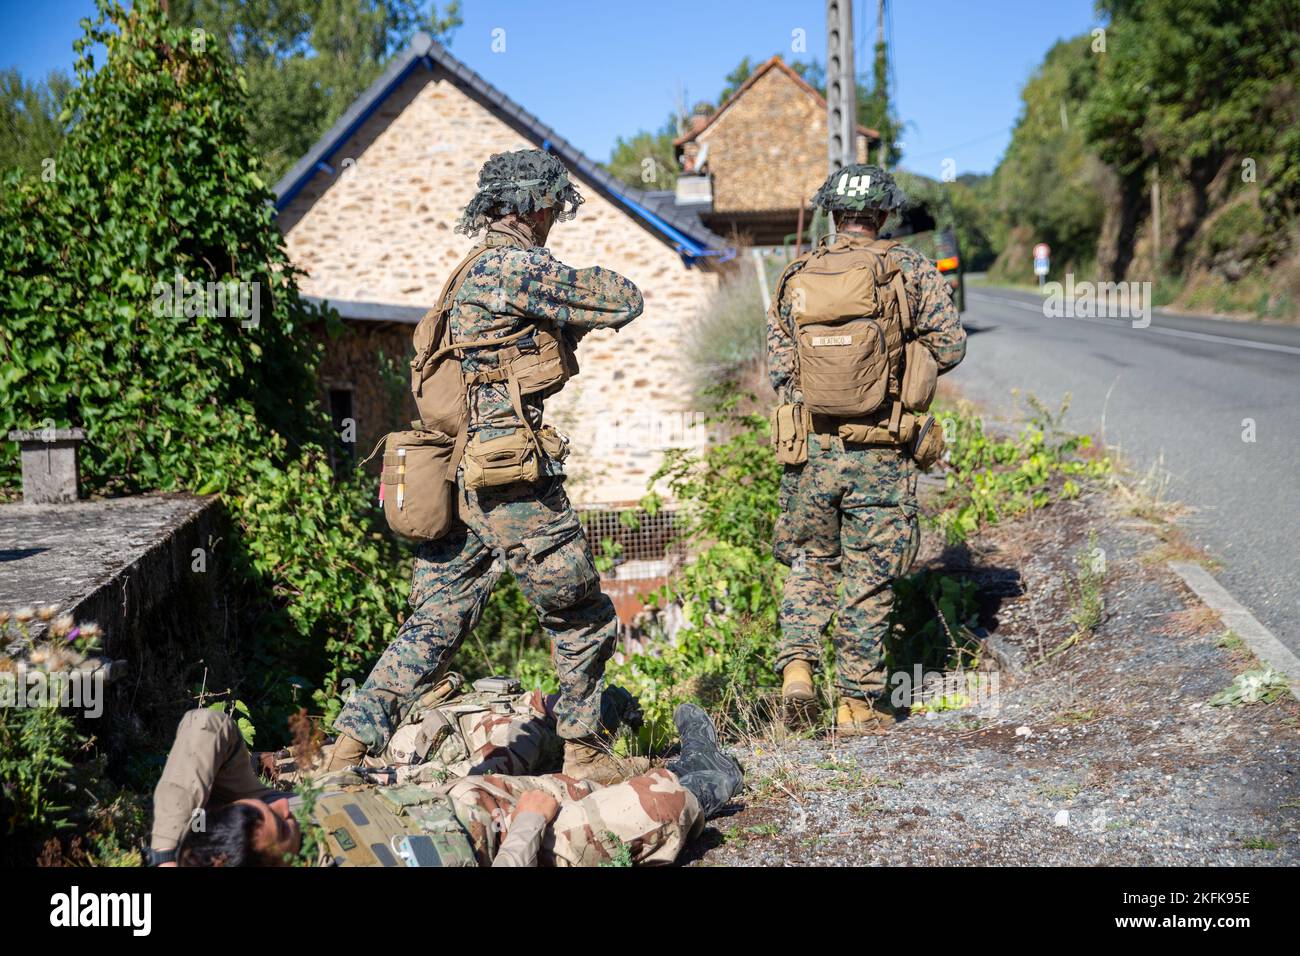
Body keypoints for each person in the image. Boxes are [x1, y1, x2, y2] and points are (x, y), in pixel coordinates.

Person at [325, 149, 644, 783]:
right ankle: (583, 751)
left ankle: (347, 751)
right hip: (510, 478)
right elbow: (621, 301)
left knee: (433, 622)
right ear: (534, 205)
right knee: (580, 611)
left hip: (462, 472)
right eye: (552, 203)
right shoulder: (516, 268)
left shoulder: (466, 272)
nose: (556, 214)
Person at [767, 164, 967, 734]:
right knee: (868, 577)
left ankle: (799, 667)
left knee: (810, 564)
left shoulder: (796, 274)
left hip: (808, 453)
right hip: (880, 450)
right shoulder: (908, 268)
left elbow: (782, 369)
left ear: (833, 212)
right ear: (884, 213)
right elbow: (951, 347)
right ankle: (857, 704)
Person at [151, 703, 742, 868]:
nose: (287, 813)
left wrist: (162, 859)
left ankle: (650, 751)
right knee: (658, 802)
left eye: (269, 806)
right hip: (517, 843)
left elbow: (204, 727)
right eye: (283, 827)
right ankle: (709, 773)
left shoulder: (238, 824)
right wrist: (531, 824)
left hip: (457, 797)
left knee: (548, 751)